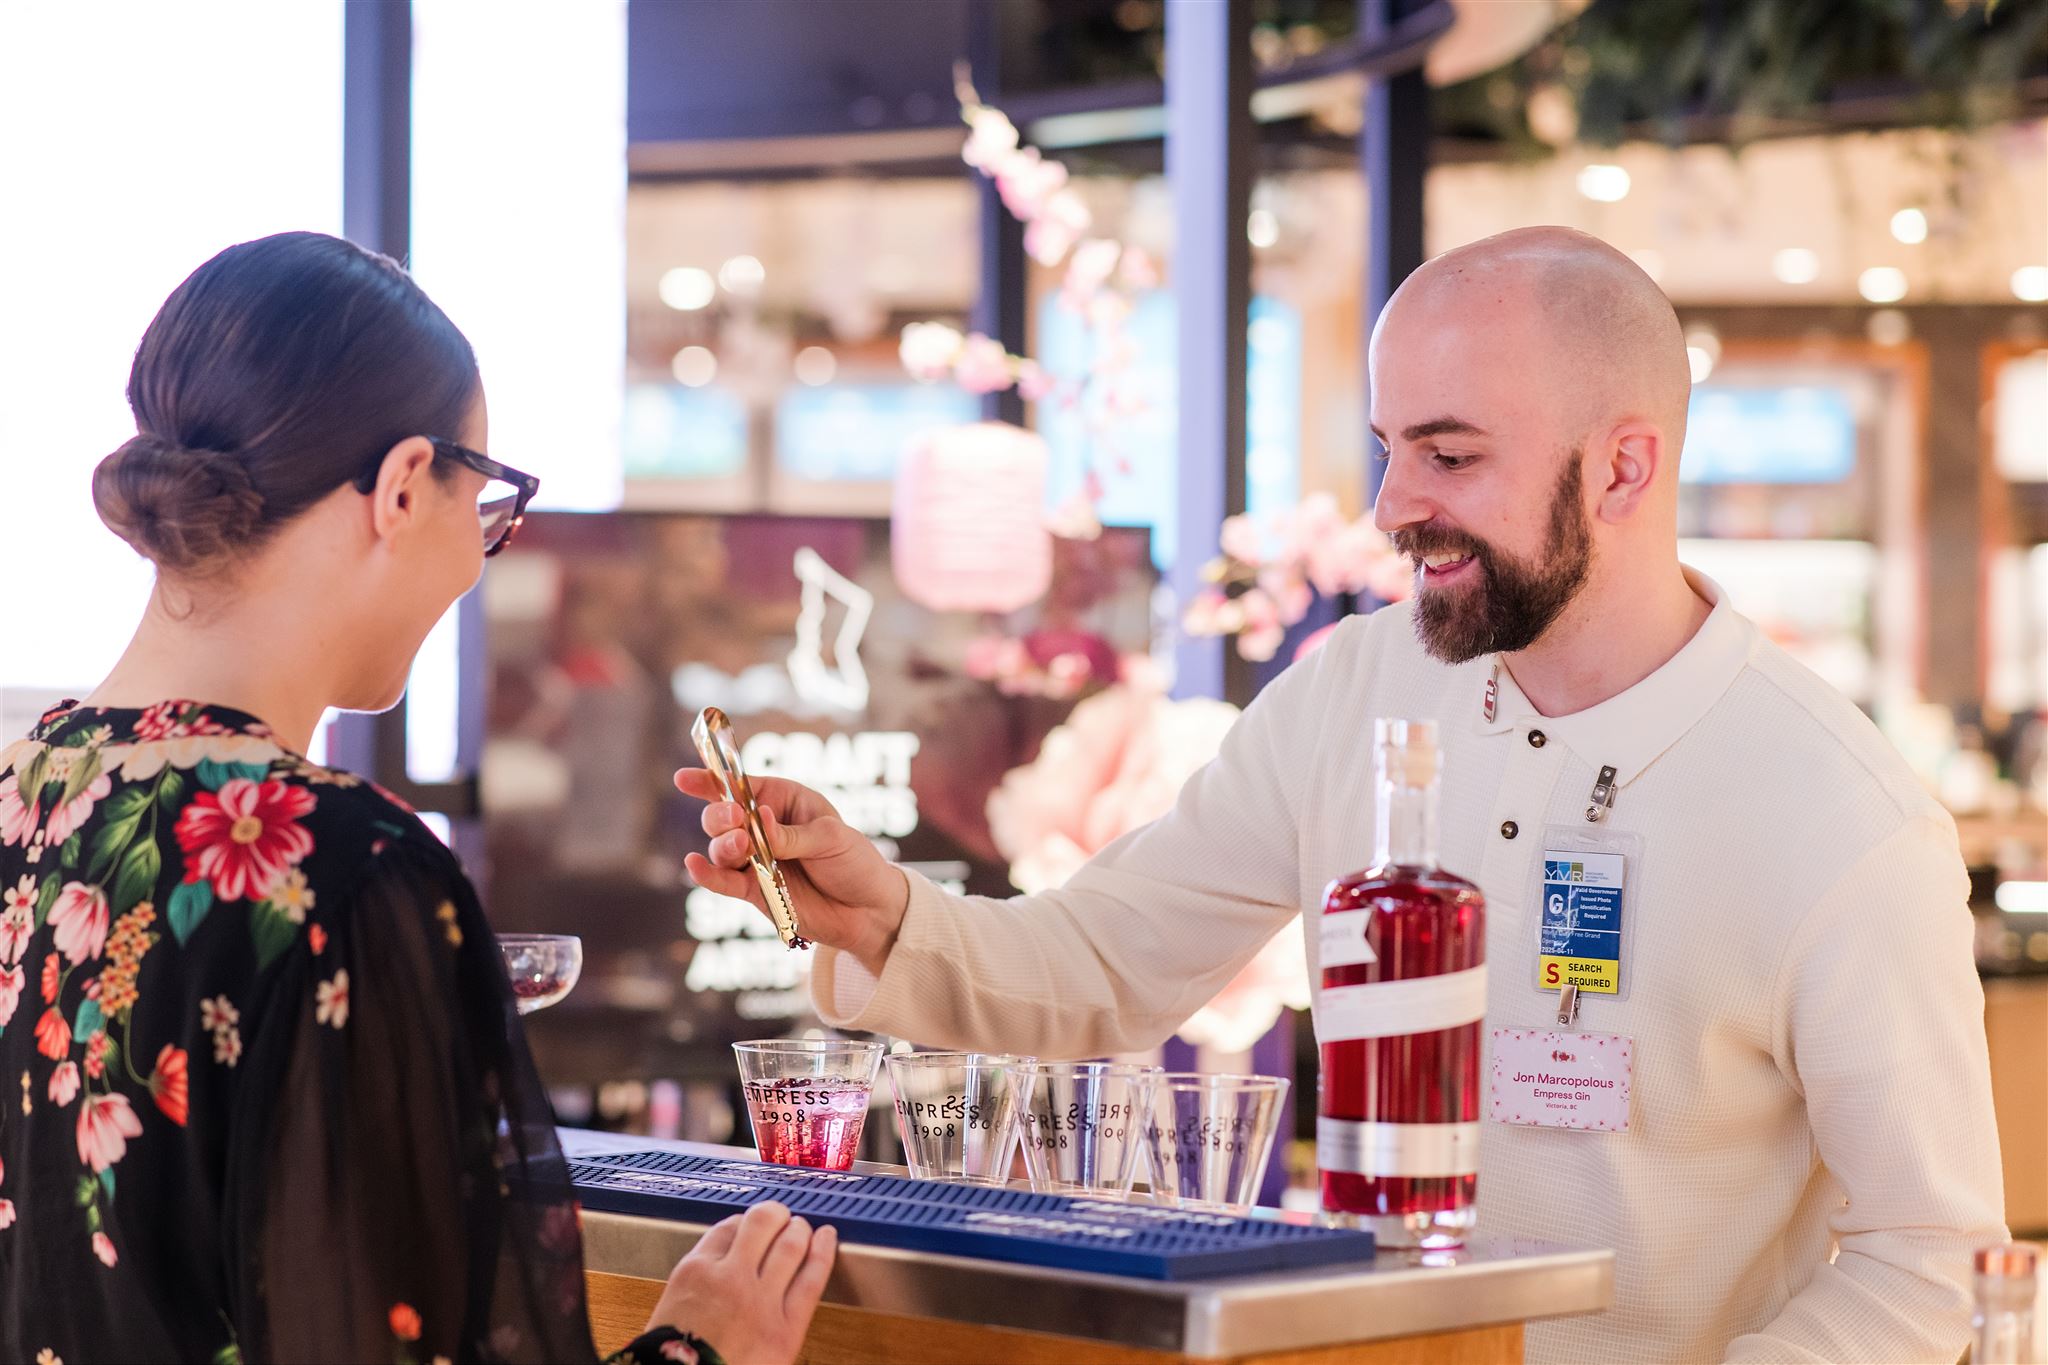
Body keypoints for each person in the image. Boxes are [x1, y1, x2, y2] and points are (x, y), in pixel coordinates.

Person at [683, 227, 2008, 1362]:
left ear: (1622, 467)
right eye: (1388, 448)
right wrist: (878, 913)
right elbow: (1104, 958)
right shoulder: (1355, 689)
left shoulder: (1839, 815)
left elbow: (1926, 1258)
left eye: (1449, 455)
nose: (1392, 505)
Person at [0, 232, 834, 1365]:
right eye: (484, 502)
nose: (477, 557)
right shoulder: (343, 867)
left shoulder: (17, 796)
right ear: (401, 487)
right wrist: (699, 1347)